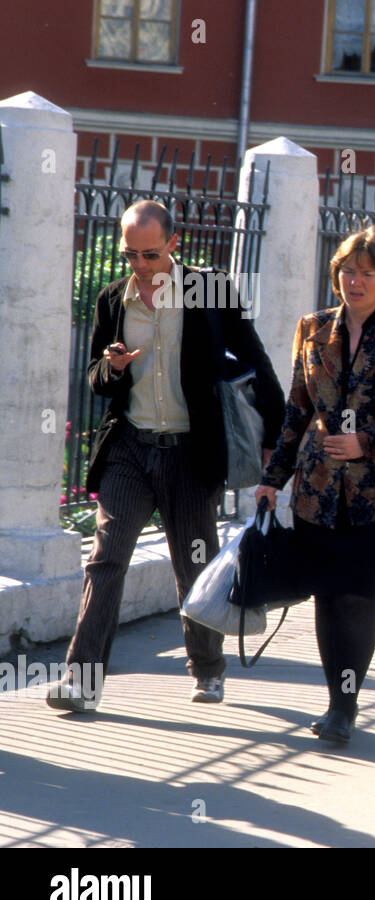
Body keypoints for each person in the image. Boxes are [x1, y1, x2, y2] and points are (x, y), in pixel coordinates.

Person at [48, 200, 284, 712]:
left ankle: (207, 667)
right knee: (106, 558)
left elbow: (253, 355)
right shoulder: (114, 298)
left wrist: (278, 434)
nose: (139, 265)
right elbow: (95, 377)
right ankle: (82, 680)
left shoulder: (210, 288)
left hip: (191, 449)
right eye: (129, 254)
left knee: (194, 564)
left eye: (149, 254)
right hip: (131, 445)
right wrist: (111, 369)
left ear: (174, 243)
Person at [253, 226, 375, 744]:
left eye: (367, 273)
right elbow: (297, 408)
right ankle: (337, 701)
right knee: (326, 596)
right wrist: (273, 480)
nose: (355, 282)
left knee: (358, 595)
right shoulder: (313, 328)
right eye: (347, 271)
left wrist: (374, 437)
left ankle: (346, 705)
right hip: (317, 490)